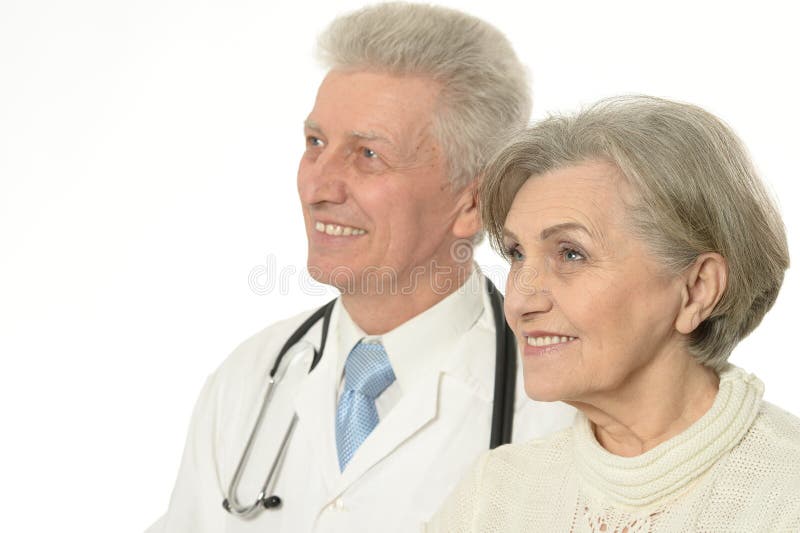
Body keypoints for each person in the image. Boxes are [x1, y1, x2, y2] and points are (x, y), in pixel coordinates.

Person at [148, 3, 575, 532]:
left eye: (368, 154)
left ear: (474, 201)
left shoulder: (558, 412)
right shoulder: (248, 380)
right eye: (316, 144)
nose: (318, 188)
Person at [427, 95, 800, 532]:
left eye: (571, 253)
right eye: (516, 254)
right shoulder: (495, 494)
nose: (520, 301)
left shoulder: (784, 494)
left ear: (697, 289)